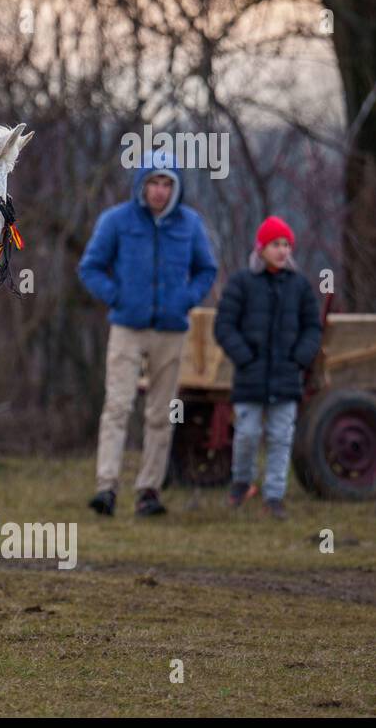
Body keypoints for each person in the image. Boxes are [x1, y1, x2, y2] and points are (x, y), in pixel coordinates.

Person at [77, 149, 219, 516]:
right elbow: (90, 267)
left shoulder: (190, 224)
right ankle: (106, 488)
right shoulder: (116, 221)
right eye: (153, 182)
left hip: (171, 331)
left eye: (166, 182)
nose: (159, 190)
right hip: (127, 327)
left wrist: (185, 300)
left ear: (176, 187)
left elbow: (206, 269)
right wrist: (117, 297)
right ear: (141, 184)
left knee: (161, 413)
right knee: (118, 407)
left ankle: (149, 491)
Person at [213, 216, 321, 519]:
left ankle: (274, 496)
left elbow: (312, 328)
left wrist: (299, 358)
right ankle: (242, 482)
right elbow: (224, 326)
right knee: (246, 433)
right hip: (250, 378)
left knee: (280, 437)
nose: (282, 250)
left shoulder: (299, 286)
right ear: (261, 248)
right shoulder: (241, 283)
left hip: (286, 379)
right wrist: (244, 357)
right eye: (276, 244)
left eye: (286, 244)